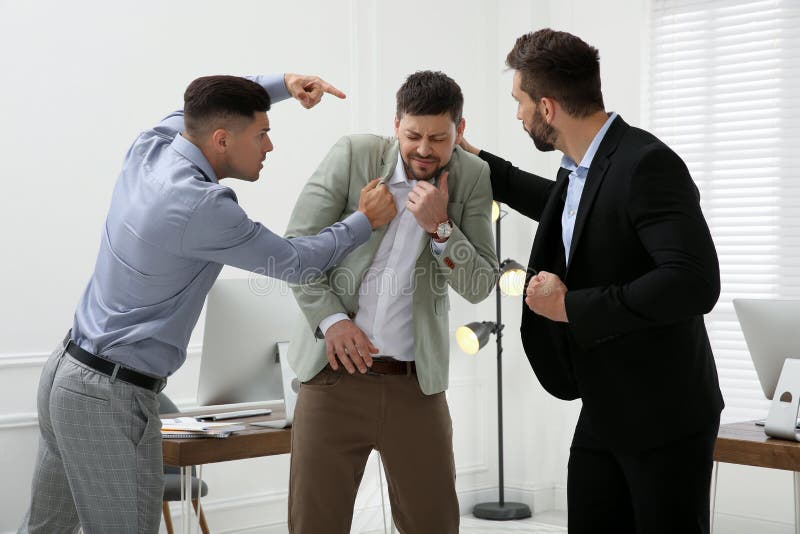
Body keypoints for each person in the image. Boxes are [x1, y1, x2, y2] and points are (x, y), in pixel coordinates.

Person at [19, 73, 397, 534]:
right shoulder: (201, 206)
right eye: (262, 134)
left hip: (67, 372)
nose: (270, 147)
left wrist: (280, 85)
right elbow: (296, 262)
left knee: (44, 529)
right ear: (221, 140)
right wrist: (364, 221)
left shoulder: (153, 144)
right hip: (108, 398)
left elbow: (203, 102)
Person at [459, 29, 724, 534]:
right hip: (606, 407)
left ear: (548, 107)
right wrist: (475, 161)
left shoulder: (647, 163)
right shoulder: (582, 168)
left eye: (520, 103)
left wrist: (571, 307)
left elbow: (693, 281)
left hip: (665, 414)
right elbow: (568, 216)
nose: (518, 115)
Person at [285, 70, 498, 534]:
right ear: (395, 123)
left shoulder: (473, 177)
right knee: (314, 525)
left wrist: (441, 228)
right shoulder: (354, 155)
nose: (424, 149)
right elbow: (294, 250)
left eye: (439, 138)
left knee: (435, 524)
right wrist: (332, 320)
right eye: (413, 135)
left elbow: (481, 284)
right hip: (332, 380)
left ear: (459, 132)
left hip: (415, 387)